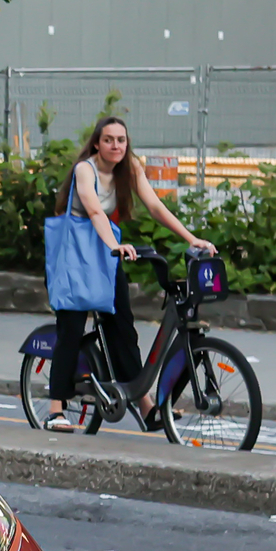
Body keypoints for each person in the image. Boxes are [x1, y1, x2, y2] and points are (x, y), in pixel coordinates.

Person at [43, 116, 215, 431]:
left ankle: (145, 406)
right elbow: (94, 210)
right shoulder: (85, 169)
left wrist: (192, 239)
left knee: (123, 329)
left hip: (104, 256)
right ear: (97, 143)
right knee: (70, 330)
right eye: (108, 139)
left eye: (121, 140)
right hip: (75, 257)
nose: (116, 145)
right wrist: (115, 244)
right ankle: (55, 410)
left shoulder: (130, 168)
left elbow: (155, 207)